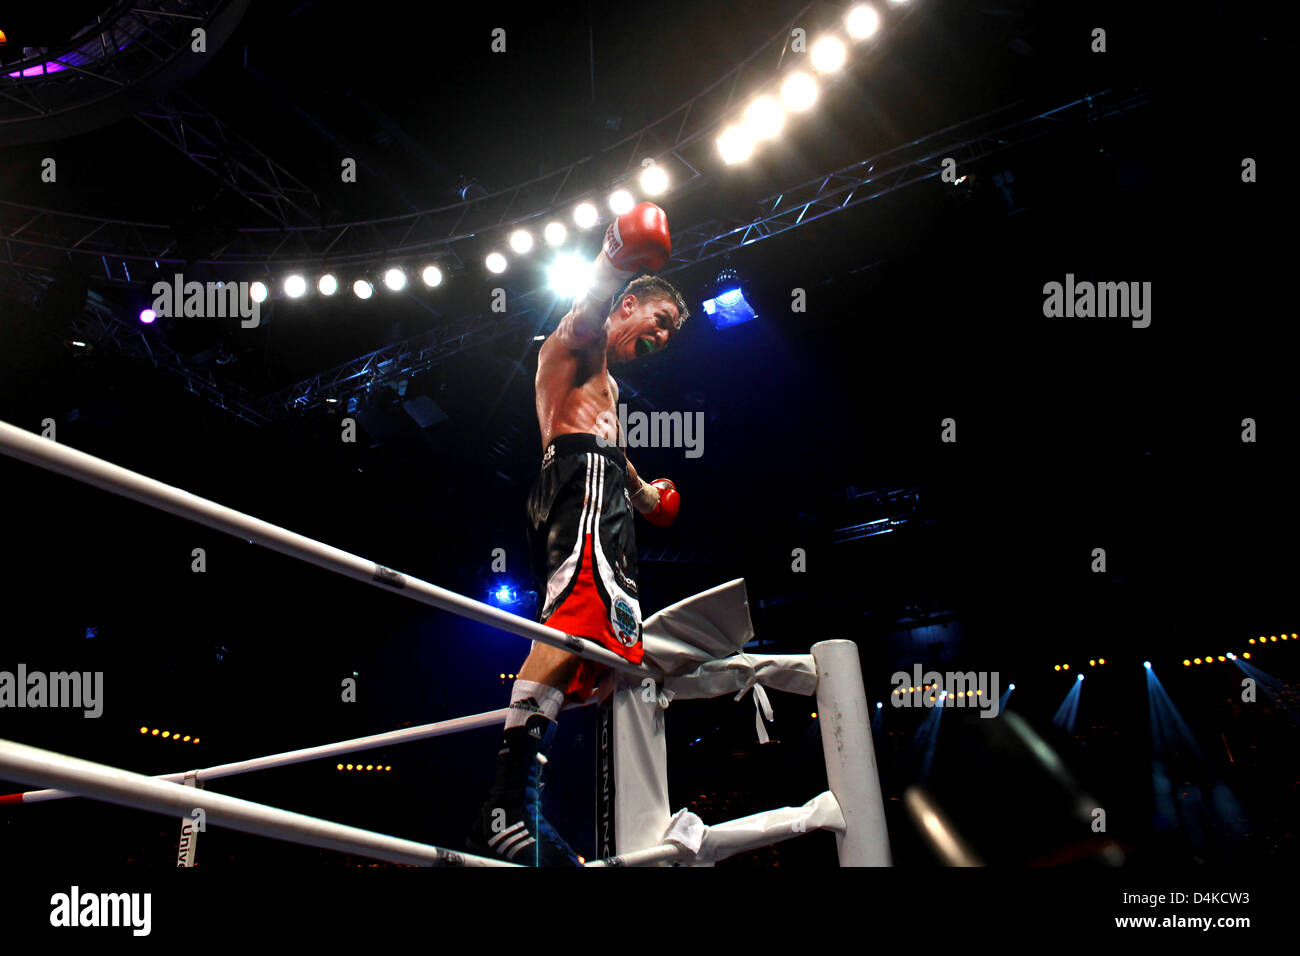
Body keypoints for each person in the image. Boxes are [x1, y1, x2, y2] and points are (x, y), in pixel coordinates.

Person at [467, 202, 689, 866]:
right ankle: (505, 802)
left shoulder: (609, 388)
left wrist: (648, 494)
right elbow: (586, 306)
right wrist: (616, 252)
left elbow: (613, 455)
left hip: (598, 489)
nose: (665, 336)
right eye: (662, 320)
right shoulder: (578, 339)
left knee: (598, 662)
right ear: (627, 306)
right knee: (574, 623)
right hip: (576, 485)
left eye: (674, 332)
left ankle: (524, 802)